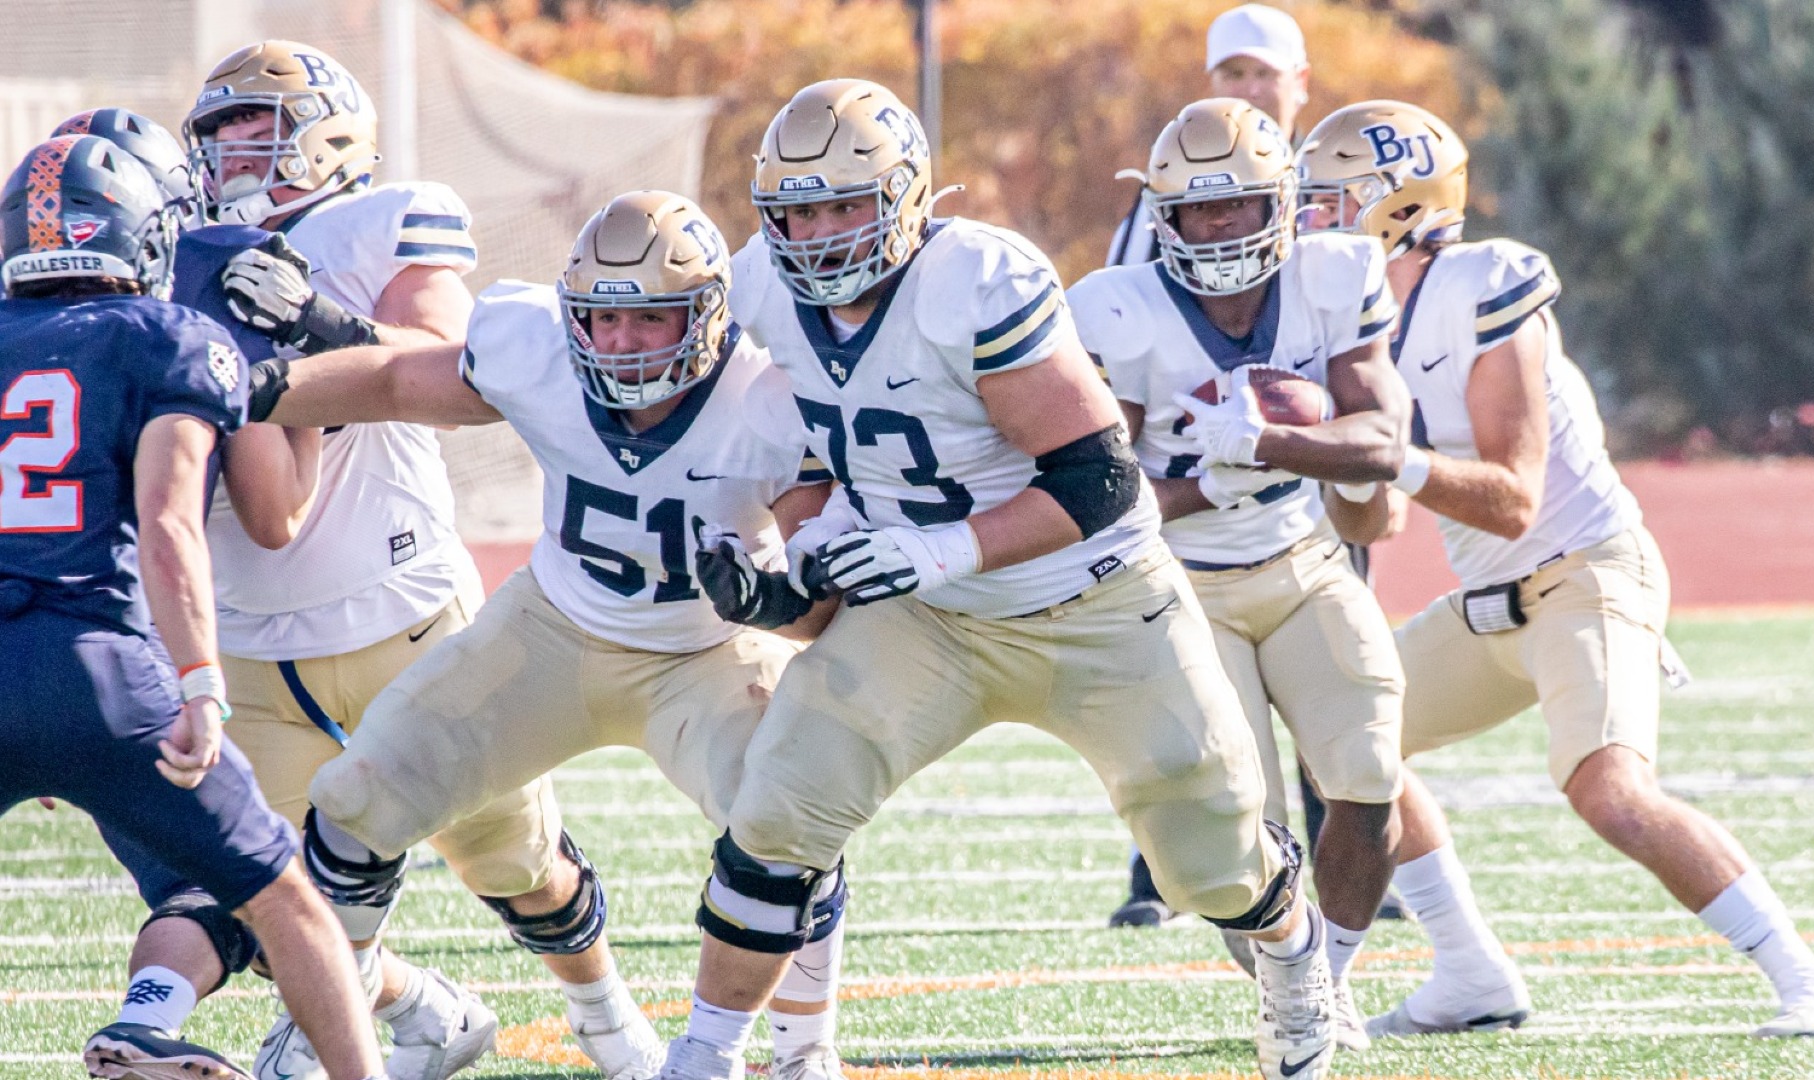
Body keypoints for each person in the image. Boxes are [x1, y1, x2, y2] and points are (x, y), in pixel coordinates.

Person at [658, 78, 1344, 1080]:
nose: (820, 233)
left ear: (907, 195)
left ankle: (1293, 952)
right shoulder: (761, 284)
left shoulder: (977, 278)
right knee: (779, 809)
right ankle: (707, 1056)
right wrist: (796, 552)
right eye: (799, 209)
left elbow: (1100, 477)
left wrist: (938, 549)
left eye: (847, 204)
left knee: (1210, 862)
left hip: (1092, 597)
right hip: (928, 616)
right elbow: (803, 442)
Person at [1295, 99, 1814, 1039]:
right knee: (1350, 741)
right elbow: (1383, 516)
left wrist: (1378, 456)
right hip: (1488, 605)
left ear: (1396, 205)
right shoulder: (1341, 323)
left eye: (1328, 201)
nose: (1309, 221)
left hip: (1586, 572)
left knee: (1608, 788)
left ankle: (1809, 979)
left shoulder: (1482, 280)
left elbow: (1513, 495)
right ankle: (1469, 971)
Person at [252, 190, 847, 1080]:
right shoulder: (535, 348)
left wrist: (766, 598)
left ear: (708, 314)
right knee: (357, 801)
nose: (620, 343)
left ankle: (803, 1053)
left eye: (650, 319)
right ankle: (326, 1033)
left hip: (704, 649)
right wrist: (253, 388)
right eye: (602, 319)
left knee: (791, 821)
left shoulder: (769, 400)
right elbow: (388, 381)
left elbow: (815, 614)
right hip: (552, 629)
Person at [0, 133, 386, 1080]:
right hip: (99, 667)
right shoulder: (169, 337)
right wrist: (201, 687)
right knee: (283, 902)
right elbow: (170, 525)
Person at [179, 41, 509, 1077]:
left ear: (329, 139)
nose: (233, 156)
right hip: (248, 621)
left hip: (401, 598)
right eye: (219, 136)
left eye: (255, 130)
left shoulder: (386, 216)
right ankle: (413, 1008)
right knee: (273, 892)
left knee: (513, 857)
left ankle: (614, 1025)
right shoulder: (178, 245)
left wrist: (321, 327)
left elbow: (453, 376)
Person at [1070, 97, 1409, 1052]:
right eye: (1195, 211)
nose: (1215, 228)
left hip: (1303, 561)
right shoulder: (1119, 308)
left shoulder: (1336, 274)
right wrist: (1207, 482)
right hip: (1180, 585)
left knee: (1372, 773)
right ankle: (1285, 977)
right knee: (1236, 828)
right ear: (1163, 217)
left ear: (1285, 205)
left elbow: (1381, 440)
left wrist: (1266, 441)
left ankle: (1324, 978)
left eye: (1236, 207)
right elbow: (1095, 493)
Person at [1106, 4, 1312, 268]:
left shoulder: (1330, 170)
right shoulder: (1173, 176)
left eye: (1266, 73)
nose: (1252, 90)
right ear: (1211, 82)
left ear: (1301, 79)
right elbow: (1126, 282)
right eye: (1234, 74)